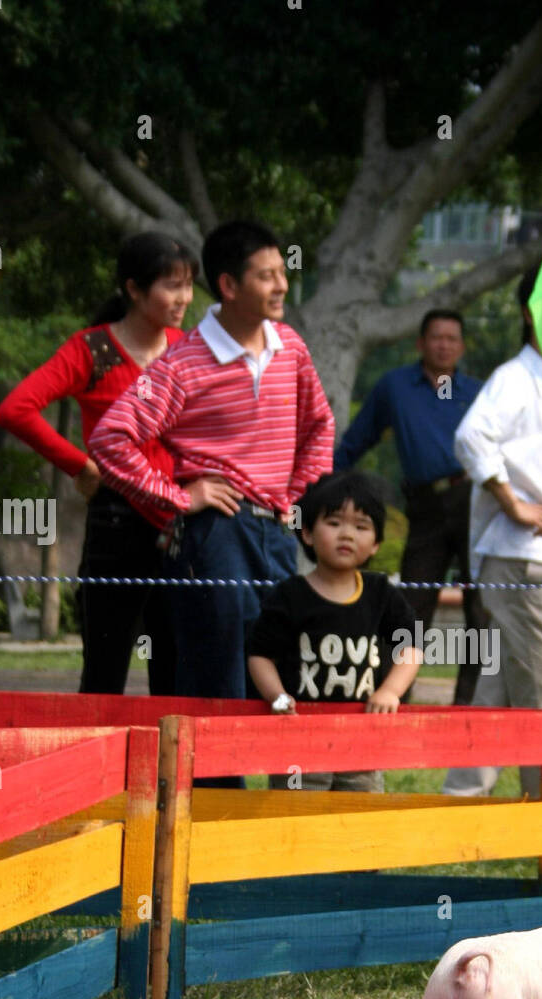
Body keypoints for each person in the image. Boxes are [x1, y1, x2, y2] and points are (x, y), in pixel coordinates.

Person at [90, 219, 335, 701]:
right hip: (215, 534)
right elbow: (111, 437)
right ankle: (208, 782)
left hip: (278, 534)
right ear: (228, 285)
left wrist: (294, 494)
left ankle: (267, 779)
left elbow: (320, 426)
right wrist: (180, 495)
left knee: (276, 676)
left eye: (282, 272)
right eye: (266, 275)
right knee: (218, 680)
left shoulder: (292, 348)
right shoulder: (181, 363)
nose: (282, 284)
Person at [0, 232, 196, 693]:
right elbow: (15, 409)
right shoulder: (93, 350)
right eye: (172, 285)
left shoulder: (189, 350)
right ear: (133, 288)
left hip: (182, 522)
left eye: (187, 285)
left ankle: (168, 769)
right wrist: (82, 467)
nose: (184, 298)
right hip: (117, 521)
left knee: (175, 670)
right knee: (104, 675)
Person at [442, 266, 542, 798]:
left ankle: (463, 794)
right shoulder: (516, 377)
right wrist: (513, 503)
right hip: (522, 555)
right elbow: (470, 436)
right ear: (531, 311)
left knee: (499, 686)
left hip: (535, 555)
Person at [333, 311, 484, 704]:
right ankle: (393, 697)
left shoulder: (475, 391)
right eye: (436, 337)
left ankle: (468, 706)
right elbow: (356, 440)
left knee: (481, 608)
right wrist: (324, 486)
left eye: (452, 338)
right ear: (420, 343)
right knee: (410, 605)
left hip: (474, 502)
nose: (444, 345)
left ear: (462, 346)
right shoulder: (396, 386)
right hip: (424, 505)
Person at [247, 473, 422, 791]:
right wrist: (278, 697)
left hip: (362, 742)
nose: (347, 535)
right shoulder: (290, 595)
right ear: (308, 533)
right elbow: (260, 655)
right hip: (299, 741)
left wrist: (390, 691)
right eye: (334, 522)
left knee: (359, 821)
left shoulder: (380, 593)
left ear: (376, 544)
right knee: (295, 820)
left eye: (361, 526)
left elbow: (412, 645)